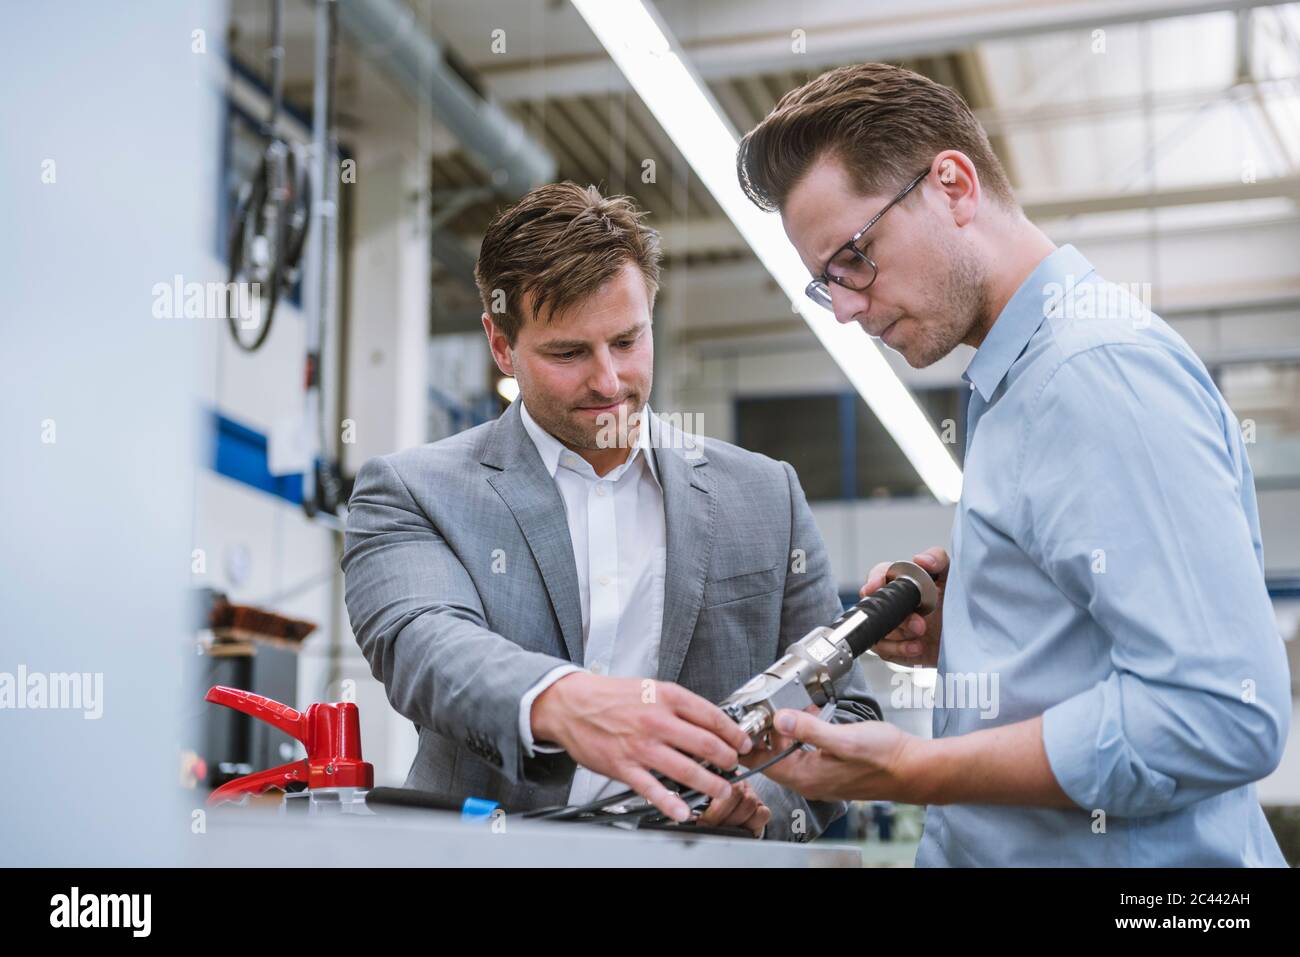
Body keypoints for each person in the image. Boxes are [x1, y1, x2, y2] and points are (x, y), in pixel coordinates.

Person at [733, 62, 1291, 865]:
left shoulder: (1090, 374)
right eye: (827, 285)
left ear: (953, 186)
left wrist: (914, 767)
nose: (848, 305)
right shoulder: (1019, 383)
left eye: (853, 257)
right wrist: (993, 619)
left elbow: (1221, 712)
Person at [341, 181, 879, 839]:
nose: (608, 381)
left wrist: (756, 808)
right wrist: (564, 703)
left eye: (627, 341)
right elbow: (425, 644)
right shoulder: (415, 490)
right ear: (501, 344)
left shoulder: (766, 496)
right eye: (568, 352)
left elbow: (845, 711)